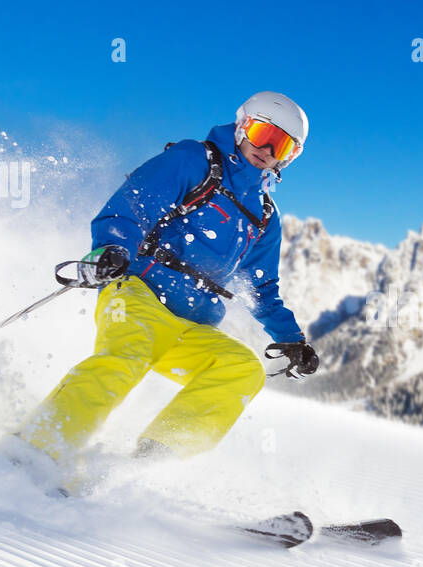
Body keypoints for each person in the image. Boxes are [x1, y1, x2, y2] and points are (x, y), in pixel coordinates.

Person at [18, 91, 318, 471]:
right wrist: (113, 248)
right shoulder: (194, 160)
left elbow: (261, 287)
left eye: (282, 145)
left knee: (240, 368)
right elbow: (132, 206)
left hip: (190, 323)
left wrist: (291, 339)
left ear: (290, 157)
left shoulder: (264, 218)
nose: (268, 150)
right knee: (127, 356)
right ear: (243, 126)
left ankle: (149, 465)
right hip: (138, 291)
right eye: (262, 134)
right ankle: (37, 448)